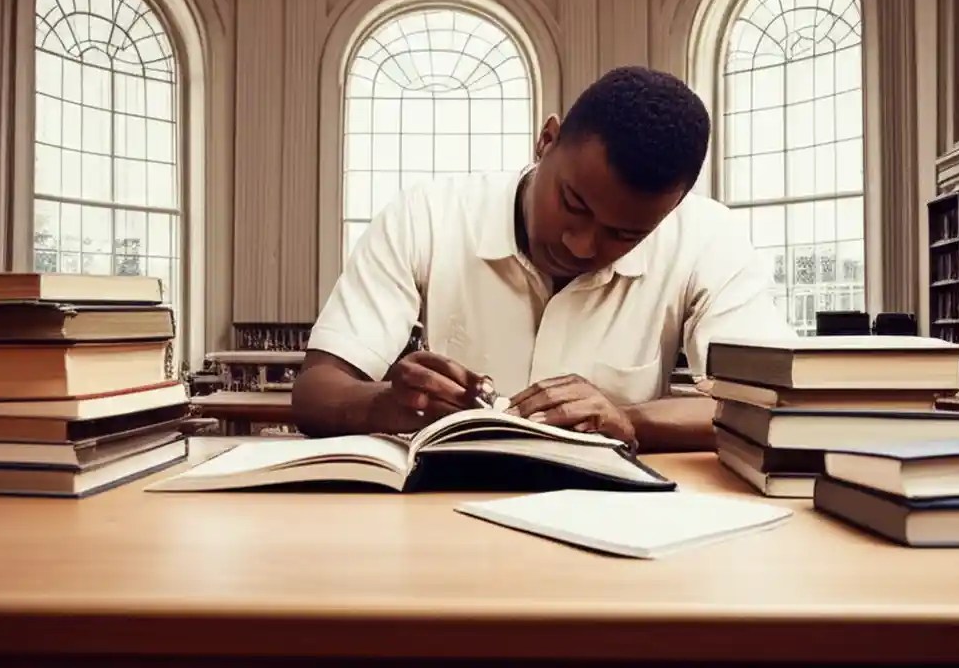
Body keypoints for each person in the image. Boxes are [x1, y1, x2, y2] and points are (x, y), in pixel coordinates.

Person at [291, 65, 794, 451]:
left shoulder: (707, 235)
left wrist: (628, 420)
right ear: (546, 140)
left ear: (673, 209)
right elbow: (316, 391)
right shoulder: (426, 214)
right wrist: (384, 404)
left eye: (624, 233)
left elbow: (773, 405)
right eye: (573, 204)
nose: (581, 245)